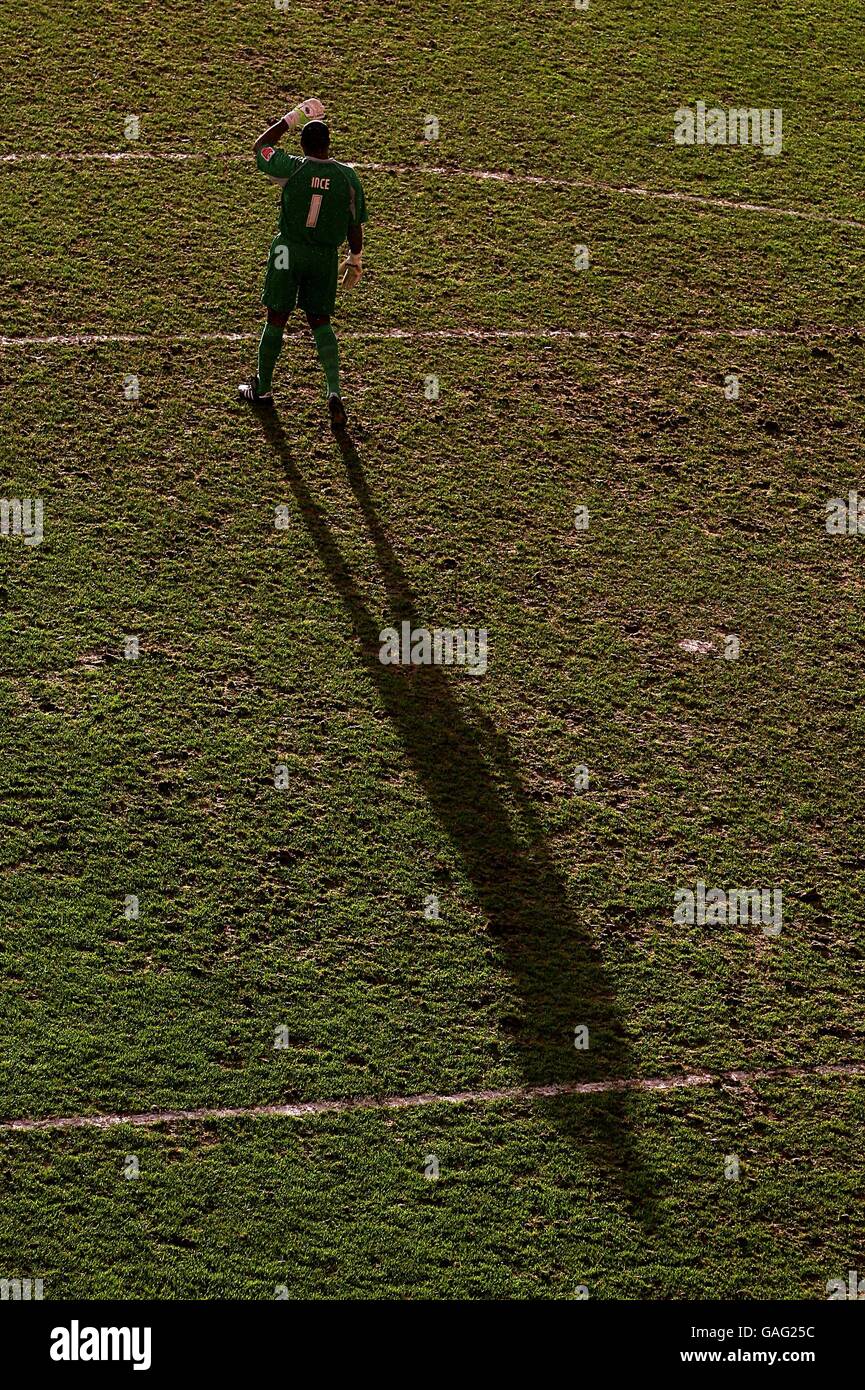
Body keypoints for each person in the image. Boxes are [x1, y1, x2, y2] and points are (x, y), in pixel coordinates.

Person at [239, 99, 366, 431]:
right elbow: (355, 226)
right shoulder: (347, 177)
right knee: (320, 321)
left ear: (303, 145)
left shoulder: (291, 167)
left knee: (277, 316)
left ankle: (263, 388)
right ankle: (334, 391)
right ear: (328, 145)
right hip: (323, 257)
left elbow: (261, 147)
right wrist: (355, 258)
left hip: (287, 251)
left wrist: (293, 117)